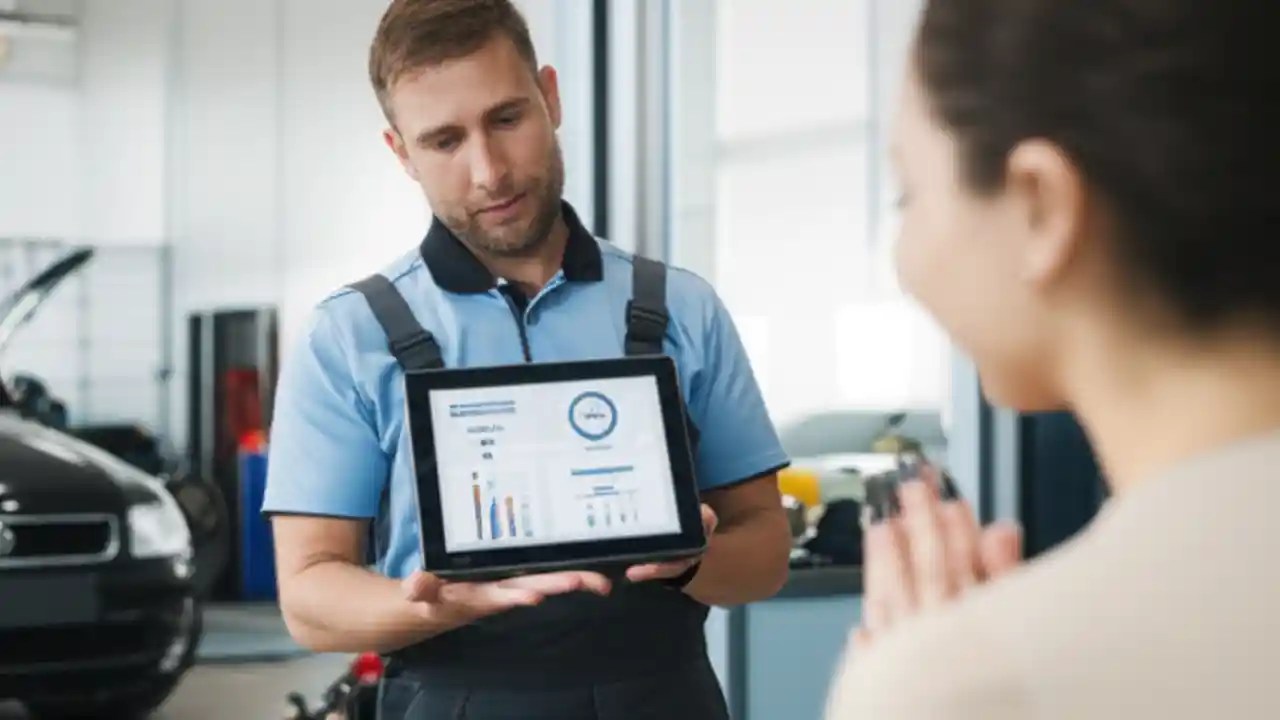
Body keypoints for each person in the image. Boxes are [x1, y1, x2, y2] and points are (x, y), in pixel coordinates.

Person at [261, 1, 791, 718]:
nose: (489, 171)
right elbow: (309, 597)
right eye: (444, 140)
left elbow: (765, 550)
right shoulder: (350, 338)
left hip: (667, 695)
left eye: (506, 119)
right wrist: (434, 607)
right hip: (456, 697)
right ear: (401, 153)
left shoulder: (681, 309)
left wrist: (695, 560)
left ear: (551, 97)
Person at [825, 1, 1280, 718]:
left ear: (1040, 205)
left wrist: (949, 676)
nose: (904, 261)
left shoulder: (971, 684)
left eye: (908, 194)